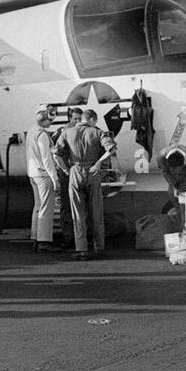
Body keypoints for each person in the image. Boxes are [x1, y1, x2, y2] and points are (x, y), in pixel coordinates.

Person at [56, 109, 116, 261]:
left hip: (75, 171)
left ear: (81, 119)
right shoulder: (96, 132)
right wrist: (98, 162)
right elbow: (112, 149)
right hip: (93, 171)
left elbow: (56, 154)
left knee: (78, 213)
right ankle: (98, 247)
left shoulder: (67, 132)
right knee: (96, 211)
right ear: (93, 120)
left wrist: (65, 169)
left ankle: (81, 249)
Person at [26, 105, 61, 253]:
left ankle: (35, 236)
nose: (51, 123)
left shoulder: (30, 131)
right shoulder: (42, 135)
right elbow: (47, 159)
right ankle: (44, 241)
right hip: (43, 175)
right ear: (45, 119)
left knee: (37, 207)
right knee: (46, 208)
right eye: (50, 120)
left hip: (32, 174)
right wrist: (55, 179)